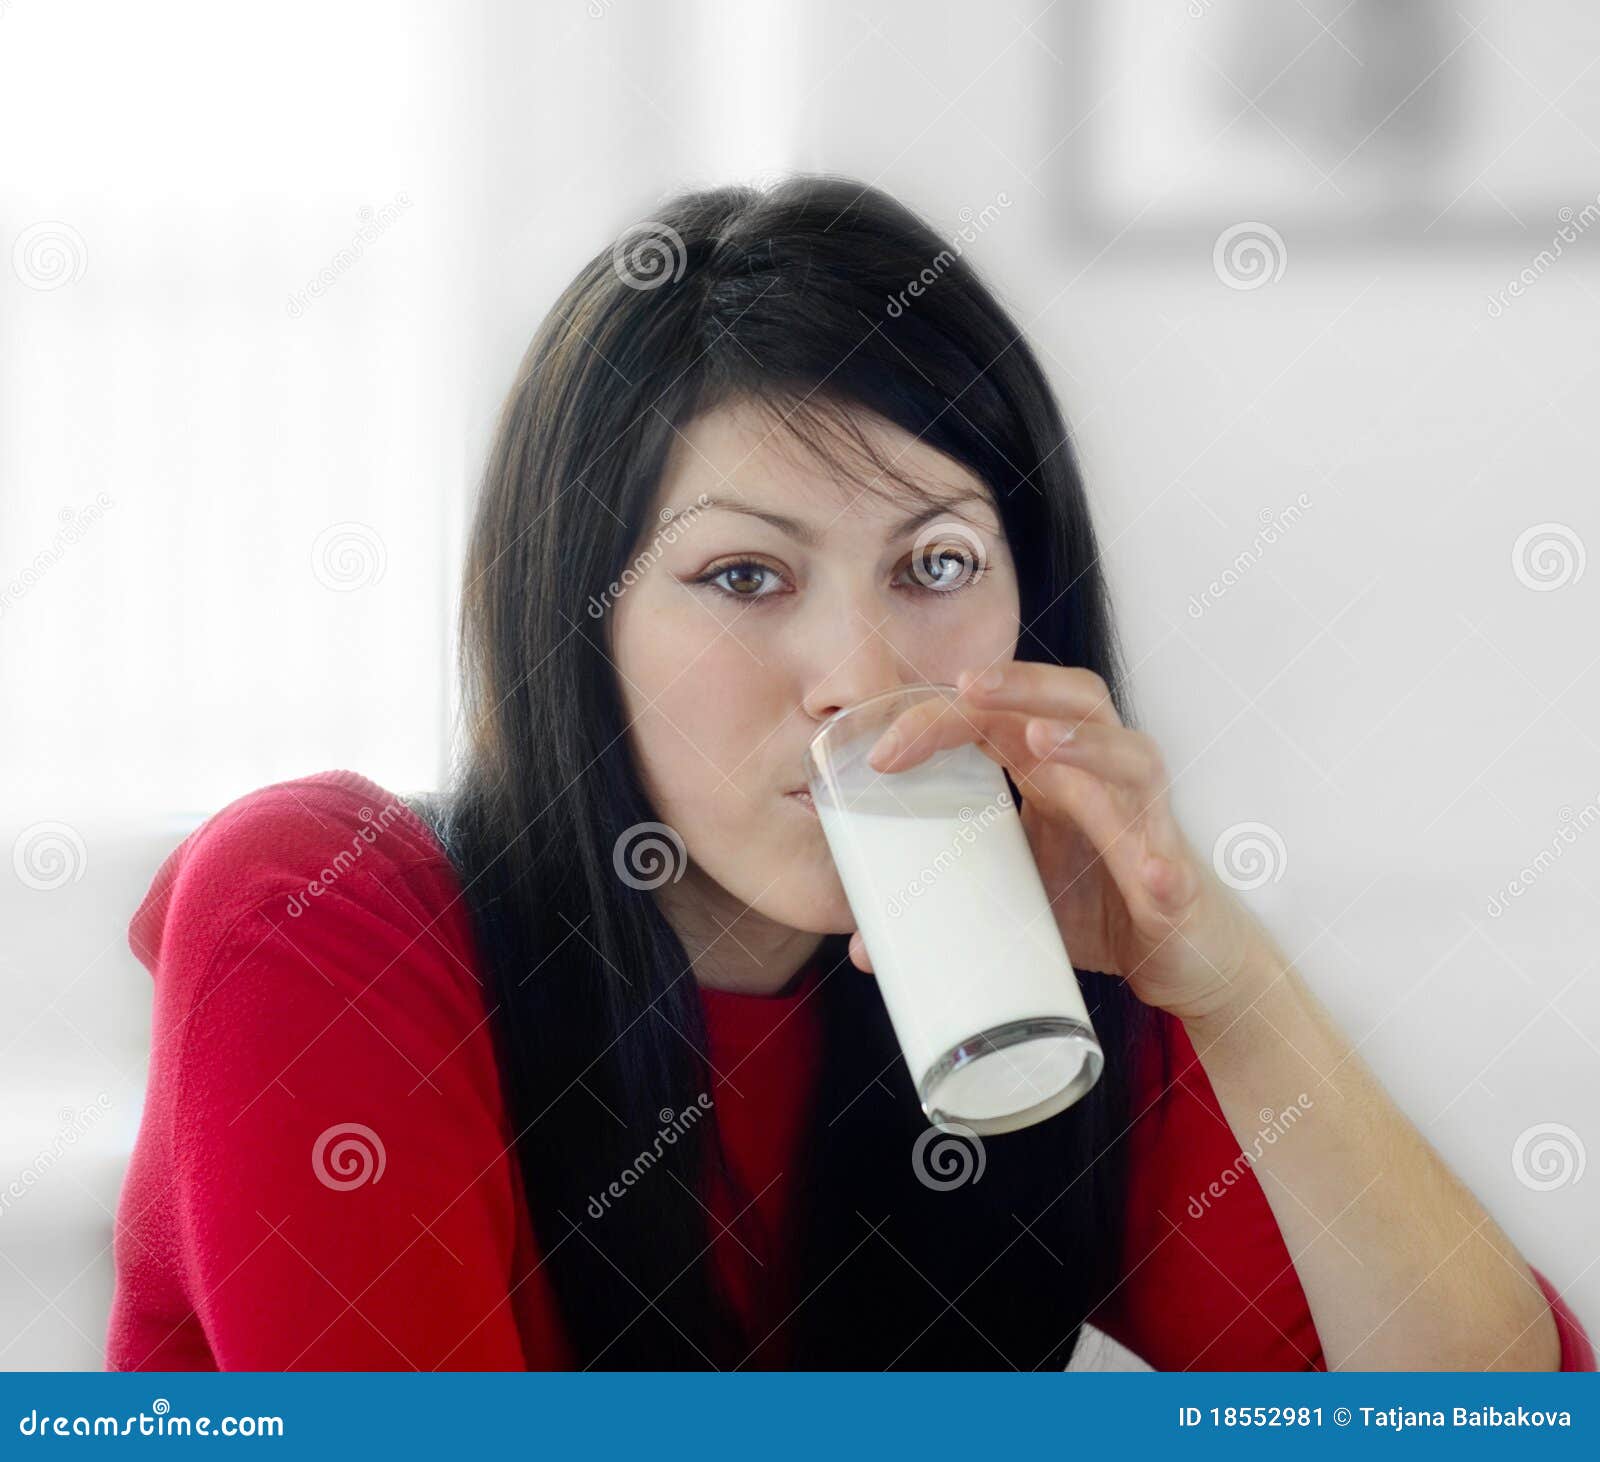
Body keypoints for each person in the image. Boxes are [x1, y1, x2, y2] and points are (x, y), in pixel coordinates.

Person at [106, 175, 1594, 1372]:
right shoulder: (319, 906)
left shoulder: (1044, 999)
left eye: (938, 561)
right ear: (579, 622)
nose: (864, 677)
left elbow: (1485, 1413)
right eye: (745, 574)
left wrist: (1228, 981)